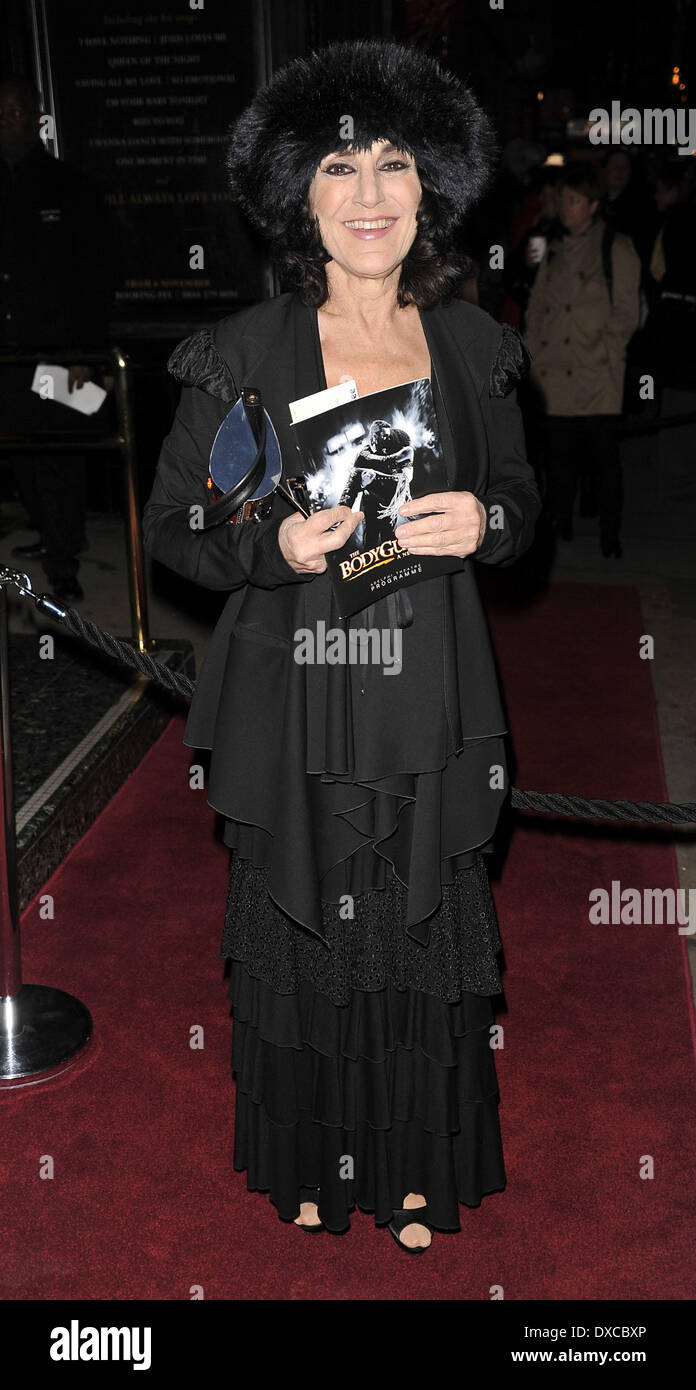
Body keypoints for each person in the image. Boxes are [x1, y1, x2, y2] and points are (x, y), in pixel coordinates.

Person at [143, 39, 540, 1253]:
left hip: (432, 693)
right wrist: (272, 545)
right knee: (308, 923)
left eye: (394, 164)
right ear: (298, 197)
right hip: (300, 687)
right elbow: (178, 525)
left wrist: (488, 523)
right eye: (338, 167)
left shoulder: (471, 345)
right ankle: (311, 1155)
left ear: (430, 188)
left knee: (418, 931)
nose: (370, 194)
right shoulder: (243, 353)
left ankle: (416, 1169)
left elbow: (522, 501)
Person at [0, 75, 115, 601]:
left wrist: (84, 352)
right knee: (21, 454)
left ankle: (63, 562)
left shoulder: (70, 188)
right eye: (0, 113)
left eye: (16, 111)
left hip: (58, 353)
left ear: (35, 115)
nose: (8, 121)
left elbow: (94, 278)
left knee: (61, 456)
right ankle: (50, 535)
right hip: (6, 355)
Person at [525, 160, 640, 557]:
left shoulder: (617, 248)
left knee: (604, 461)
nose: (565, 207)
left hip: (597, 375)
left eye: (574, 200)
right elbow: (537, 306)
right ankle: (561, 525)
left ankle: (610, 532)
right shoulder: (553, 248)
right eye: (563, 199)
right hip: (555, 372)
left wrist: (607, 349)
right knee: (559, 461)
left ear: (593, 205)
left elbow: (627, 313)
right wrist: (534, 352)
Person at [338, 419, 414, 547]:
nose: (387, 439)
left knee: (389, 540)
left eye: (388, 436)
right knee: (370, 541)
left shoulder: (392, 450)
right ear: (374, 437)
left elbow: (391, 463)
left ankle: (341, 512)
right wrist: (364, 482)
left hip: (388, 501)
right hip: (370, 504)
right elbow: (356, 479)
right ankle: (341, 513)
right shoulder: (364, 454)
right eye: (384, 436)